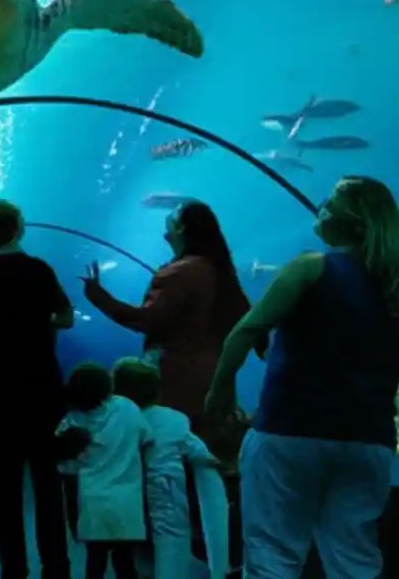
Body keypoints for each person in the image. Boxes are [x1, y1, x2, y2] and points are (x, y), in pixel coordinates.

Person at [204, 175, 399, 579]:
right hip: (368, 445)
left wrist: (220, 391)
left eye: (334, 198)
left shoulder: (310, 268)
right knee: (354, 558)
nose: (323, 203)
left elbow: (245, 331)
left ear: (357, 218)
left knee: (273, 552)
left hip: (288, 433)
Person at [80, 200, 252, 461]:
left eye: (170, 221)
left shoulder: (179, 273)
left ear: (181, 228)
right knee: (207, 453)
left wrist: (98, 296)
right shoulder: (218, 269)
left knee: (170, 452)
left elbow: (146, 319)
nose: (165, 228)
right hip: (215, 375)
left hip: (175, 380)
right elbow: (246, 318)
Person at [0, 199, 74, 579]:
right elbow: (67, 316)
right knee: (48, 483)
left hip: (4, 389)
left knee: (6, 488)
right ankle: (56, 567)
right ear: (19, 227)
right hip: (43, 386)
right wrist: (40, 323)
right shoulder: (39, 270)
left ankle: (13, 569)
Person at [114, 358, 228, 579]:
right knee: (171, 543)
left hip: (123, 491)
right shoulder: (174, 419)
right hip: (165, 488)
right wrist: (215, 463)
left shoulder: (115, 419)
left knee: (123, 545)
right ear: (156, 390)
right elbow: (195, 449)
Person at [54, 362, 152, 579]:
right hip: (127, 501)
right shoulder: (126, 407)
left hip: (93, 503)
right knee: (126, 563)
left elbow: (66, 467)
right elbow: (147, 437)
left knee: (95, 562)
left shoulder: (71, 423)